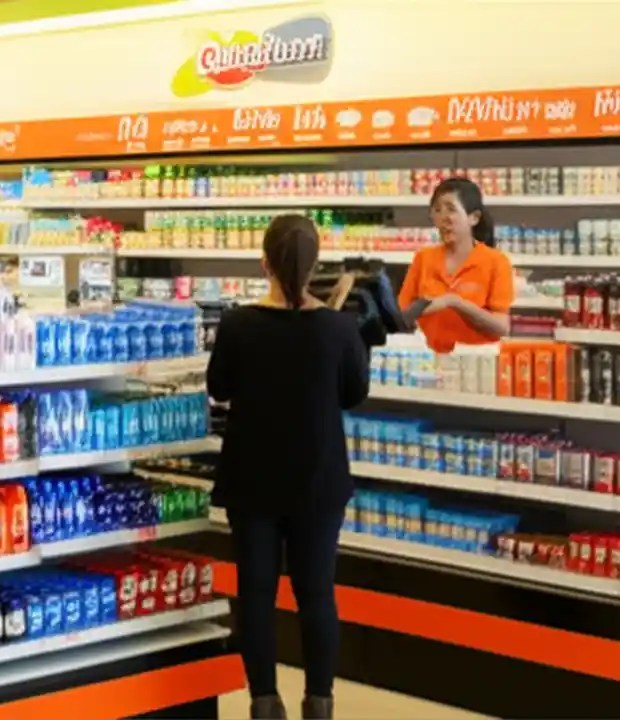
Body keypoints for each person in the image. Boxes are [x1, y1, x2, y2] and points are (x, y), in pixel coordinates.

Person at [206, 214, 370, 720]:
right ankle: (319, 703)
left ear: (264, 264)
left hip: (252, 477)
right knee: (316, 592)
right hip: (318, 479)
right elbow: (353, 395)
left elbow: (220, 388)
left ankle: (264, 702)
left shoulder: (237, 323)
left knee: (256, 594)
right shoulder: (339, 327)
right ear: (315, 263)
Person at [398, 177, 514, 352]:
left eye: (451, 209)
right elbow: (402, 312)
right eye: (437, 210)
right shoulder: (423, 258)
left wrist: (455, 303)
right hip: (428, 362)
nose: (444, 217)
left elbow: (501, 326)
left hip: (476, 362)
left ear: (473, 218)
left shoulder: (496, 262)